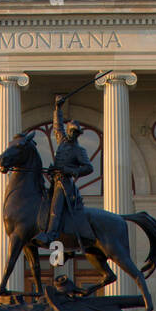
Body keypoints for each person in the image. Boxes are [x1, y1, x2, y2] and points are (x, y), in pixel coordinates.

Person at [35, 94, 95, 246]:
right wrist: (57, 108)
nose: (72, 133)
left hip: (65, 183)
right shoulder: (62, 141)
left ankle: (51, 234)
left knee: (56, 205)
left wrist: (69, 170)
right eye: (71, 130)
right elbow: (57, 125)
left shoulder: (78, 150)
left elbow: (89, 168)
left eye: (75, 132)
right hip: (55, 179)